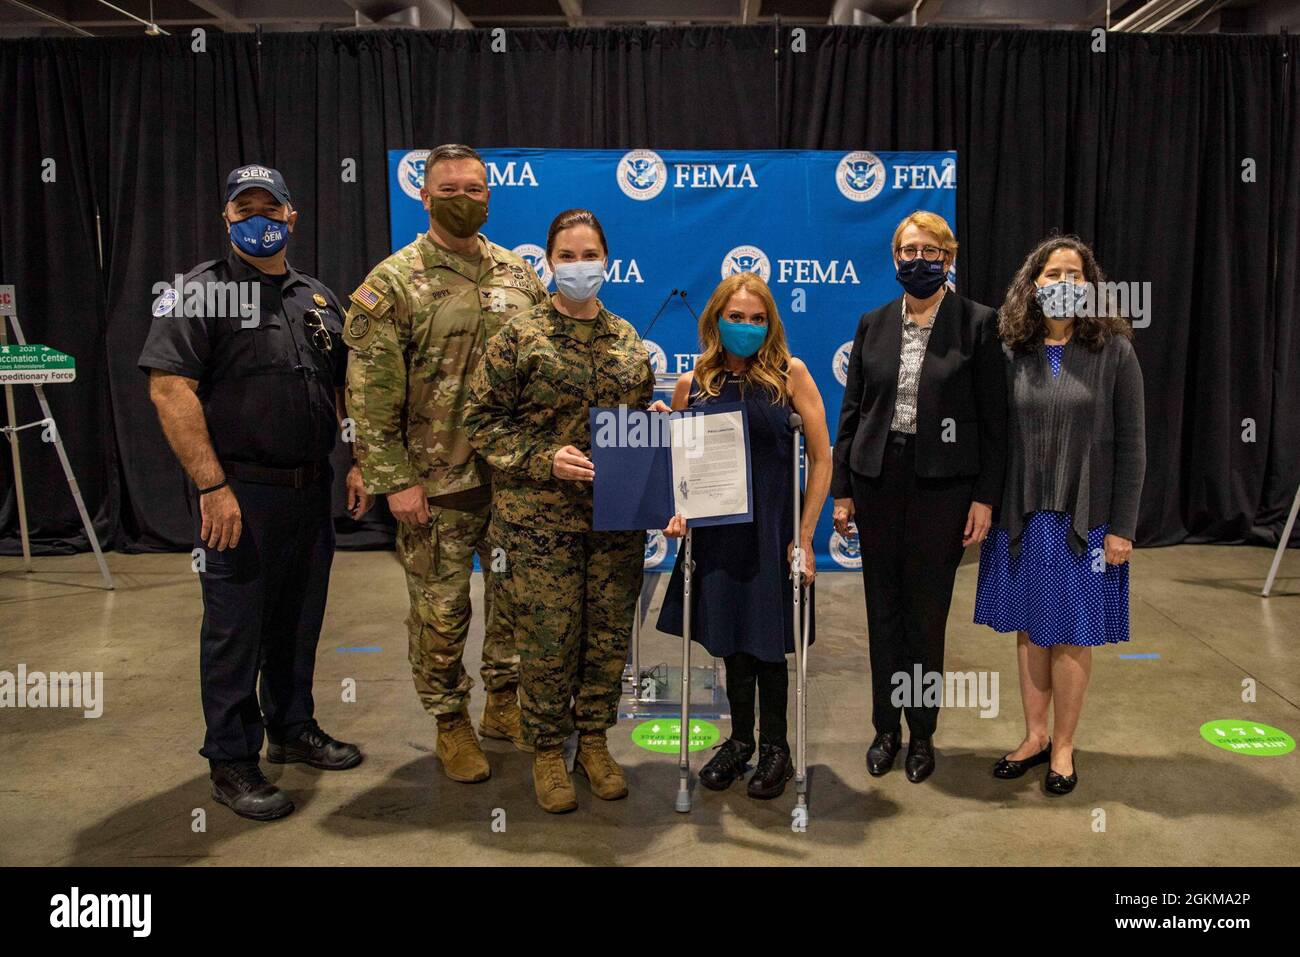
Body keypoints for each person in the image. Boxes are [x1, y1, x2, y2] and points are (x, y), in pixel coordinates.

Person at [140, 164, 371, 821]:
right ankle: (232, 759)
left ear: (292, 216)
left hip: (309, 489)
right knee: (236, 627)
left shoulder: (318, 298)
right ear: (226, 218)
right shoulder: (200, 293)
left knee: (298, 621)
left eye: (270, 207)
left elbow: (342, 389)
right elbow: (168, 387)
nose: (258, 218)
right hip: (238, 492)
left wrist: (355, 459)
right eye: (245, 209)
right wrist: (211, 485)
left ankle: (292, 727)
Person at [343, 144, 548, 784]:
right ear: (425, 197)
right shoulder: (393, 282)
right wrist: (393, 481)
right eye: (450, 189)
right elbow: (370, 392)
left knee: (515, 602)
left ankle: (503, 705)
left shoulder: (520, 275)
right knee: (442, 610)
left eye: (476, 188)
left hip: (514, 480)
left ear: (491, 195)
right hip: (437, 487)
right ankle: (449, 721)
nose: (465, 198)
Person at [464, 208, 654, 813]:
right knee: (547, 641)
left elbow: (638, 416)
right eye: (567, 257)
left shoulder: (626, 339)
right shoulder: (518, 337)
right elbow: (481, 423)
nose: (580, 266)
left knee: (605, 639)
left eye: (589, 255)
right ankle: (548, 750)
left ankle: (594, 740)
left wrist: (653, 428)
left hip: (615, 523)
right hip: (537, 524)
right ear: (549, 262)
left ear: (608, 261)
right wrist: (543, 457)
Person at [831, 210, 1006, 784]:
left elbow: (994, 421)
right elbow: (852, 413)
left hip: (944, 486)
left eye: (930, 250)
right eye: (908, 250)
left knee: (926, 616)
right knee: (882, 613)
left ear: (949, 257)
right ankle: (886, 727)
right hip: (876, 481)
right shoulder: (872, 323)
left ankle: (923, 732)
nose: (918, 260)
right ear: (894, 256)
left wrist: (985, 497)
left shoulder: (978, 324)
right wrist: (842, 493)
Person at [975, 235, 1145, 795]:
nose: (1064, 283)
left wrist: (1121, 527)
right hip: (1023, 517)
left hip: (1087, 520)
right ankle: (1034, 736)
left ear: (1091, 288)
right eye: (1053, 274)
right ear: (1034, 283)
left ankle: (1065, 748)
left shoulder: (1114, 350)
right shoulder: (1009, 347)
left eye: (1075, 274)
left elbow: (1133, 445)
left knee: (1073, 634)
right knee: (1030, 631)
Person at [656, 272, 832, 800]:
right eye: (737, 317)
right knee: (731, 639)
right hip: (718, 534)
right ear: (716, 319)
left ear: (771, 323)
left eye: (758, 319)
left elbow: (823, 458)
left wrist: (804, 536)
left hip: (773, 533)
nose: (747, 327)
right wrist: (676, 501)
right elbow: (682, 467)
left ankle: (776, 746)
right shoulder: (696, 383)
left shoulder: (789, 374)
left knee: (769, 645)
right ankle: (740, 741)